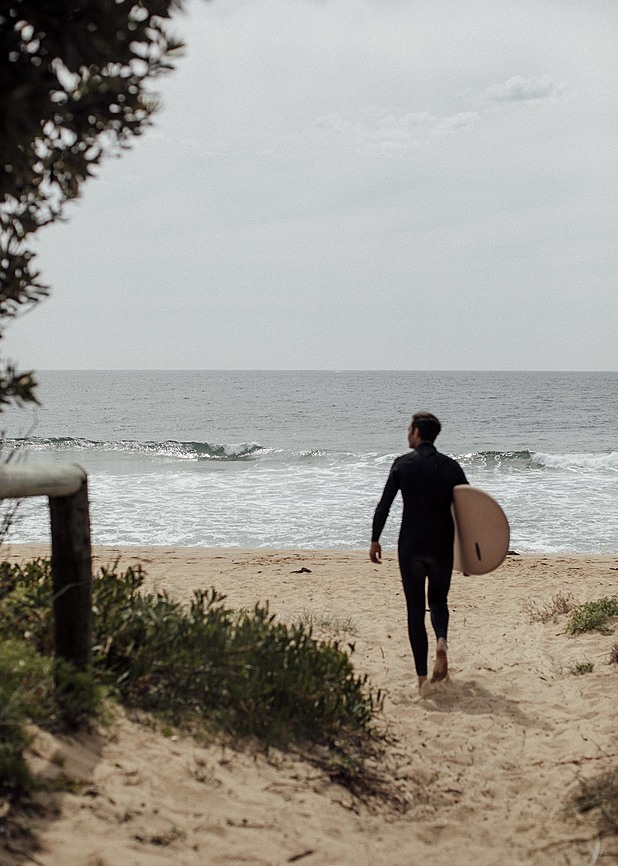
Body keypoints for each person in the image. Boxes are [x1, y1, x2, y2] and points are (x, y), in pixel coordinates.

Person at [370, 411, 468, 693]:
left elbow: (384, 506)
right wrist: (471, 554)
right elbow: (468, 510)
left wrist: (375, 539)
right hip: (441, 545)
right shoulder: (451, 467)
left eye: (408, 429)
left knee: (415, 609)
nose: (407, 434)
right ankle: (441, 641)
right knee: (438, 599)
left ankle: (422, 680)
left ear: (416, 432)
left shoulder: (403, 464)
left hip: (411, 545)